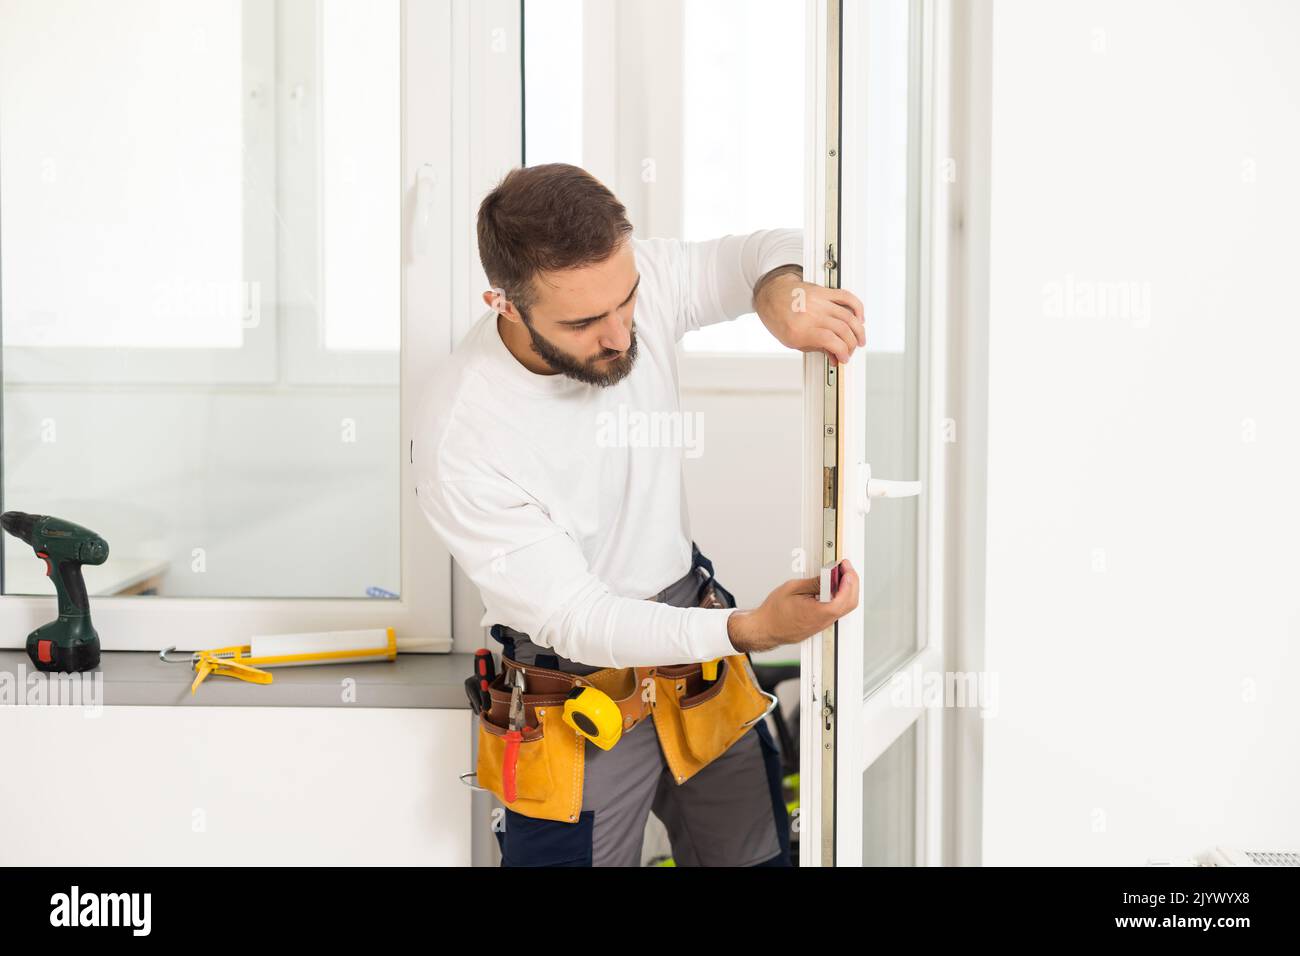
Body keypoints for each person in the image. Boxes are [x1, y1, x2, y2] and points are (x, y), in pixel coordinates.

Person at [414, 162, 864, 866]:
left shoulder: (634, 284)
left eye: (627, 301)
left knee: (758, 857)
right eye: (586, 321)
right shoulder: (463, 434)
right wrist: (751, 629)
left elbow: (765, 248)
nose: (623, 335)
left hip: (693, 656)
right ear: (502, 302)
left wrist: (783, 293)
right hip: (572, 685)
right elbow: (580, 617)